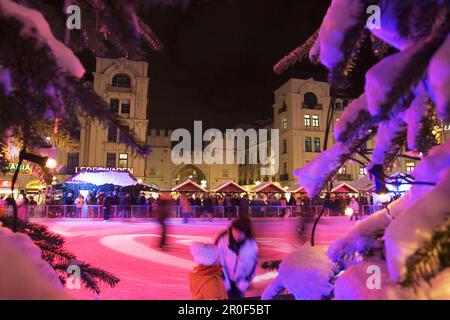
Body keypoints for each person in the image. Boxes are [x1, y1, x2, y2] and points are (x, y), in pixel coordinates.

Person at [215, 217, 258, 299]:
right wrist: (226, 285)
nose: (237, 234)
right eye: (235, 230)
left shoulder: (252, 245)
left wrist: (243, 284)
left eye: (241, 232)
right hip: (225, 282)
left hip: (240, 283)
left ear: (247, 233)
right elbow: (219, 263)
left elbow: (252, 267)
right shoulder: (223, 242)